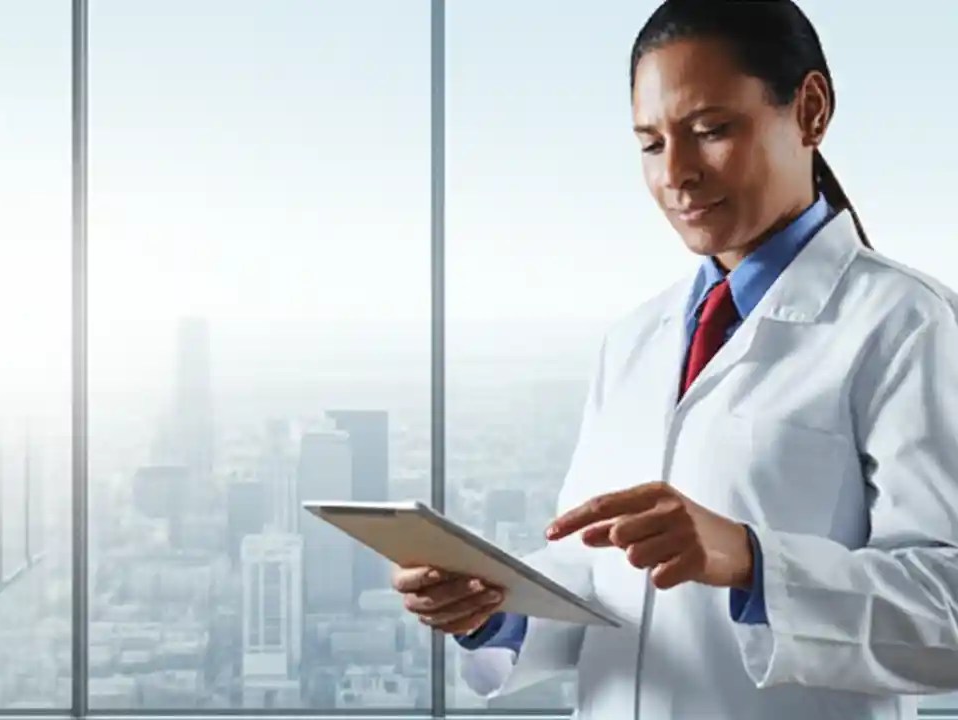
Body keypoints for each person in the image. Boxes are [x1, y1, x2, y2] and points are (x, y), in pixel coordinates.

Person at [391, 1, 958, 718]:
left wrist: (750, 561)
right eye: (651, 144)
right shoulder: (636, 338)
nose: (677, 173)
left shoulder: (907, 324)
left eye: (711, 131)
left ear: (811, 110)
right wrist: (495, 608)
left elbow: (947, 611)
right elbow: (600, 577)